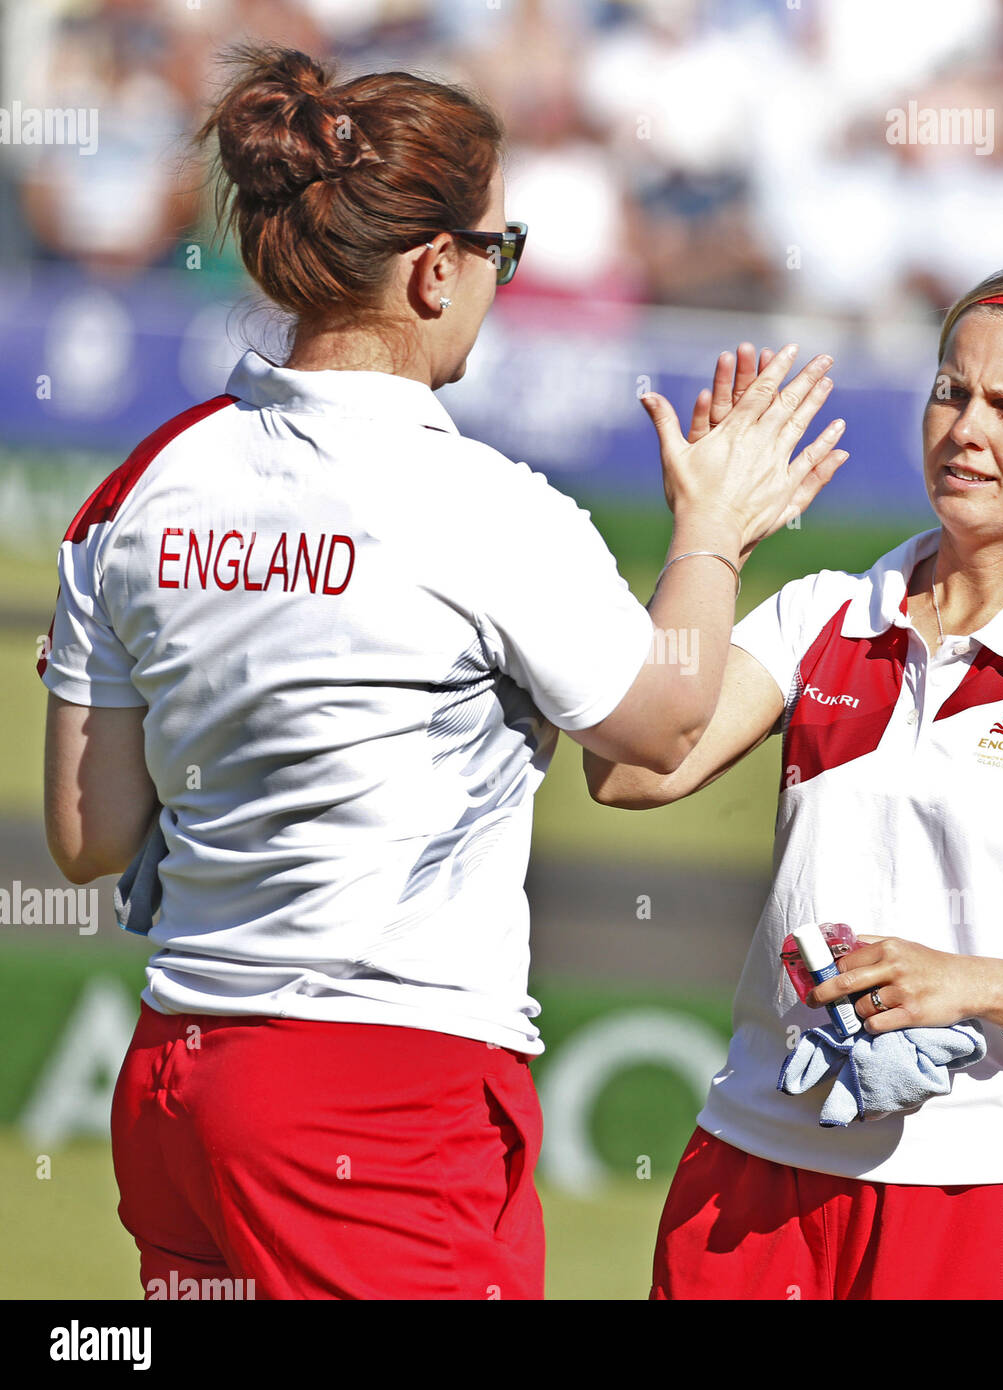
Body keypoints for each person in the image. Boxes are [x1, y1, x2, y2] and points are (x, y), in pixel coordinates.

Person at [38, 44, 848, 1300]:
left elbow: (89, 836)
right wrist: (714, 535)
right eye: (498, 251)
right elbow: (663, 721)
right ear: (433, 270)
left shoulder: (141, 484)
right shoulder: (485, 506)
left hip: (176, 1074)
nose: (497, 282)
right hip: (381, 1090)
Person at [586, 264, 1003, 1301]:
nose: (968, 429)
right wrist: (708, 538)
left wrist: (978, 983)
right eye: (951, 389)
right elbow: (628, 768)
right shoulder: (822, 613)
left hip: (988, 1198)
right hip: (750, 1168)